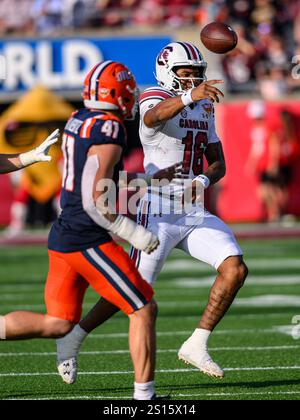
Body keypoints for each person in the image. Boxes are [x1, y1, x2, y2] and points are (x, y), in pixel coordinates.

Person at [56, 42, 248, 384]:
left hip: (193, 211)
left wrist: (202, 180)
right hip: (156, 210)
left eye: (196, 74)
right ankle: (75, 335)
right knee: (132, 290)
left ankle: (197, 343)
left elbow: (218, 162)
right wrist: (190, 98)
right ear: (167, 72)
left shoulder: (204, 105)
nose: (191, 80)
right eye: (184, 74)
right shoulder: (154, 95)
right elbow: (152, 117)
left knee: (235, 269)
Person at [0, 60, 180, 400]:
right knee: (143, 307)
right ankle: (145, 398)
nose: (133, 96)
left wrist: (145, 180)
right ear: (117, 93)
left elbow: (94, 179)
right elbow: (97, 199)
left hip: (64, 233)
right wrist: (133, 233)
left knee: (59, 323)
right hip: (87, 237)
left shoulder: (78, 118)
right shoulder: (110, 129)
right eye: (129, 91)